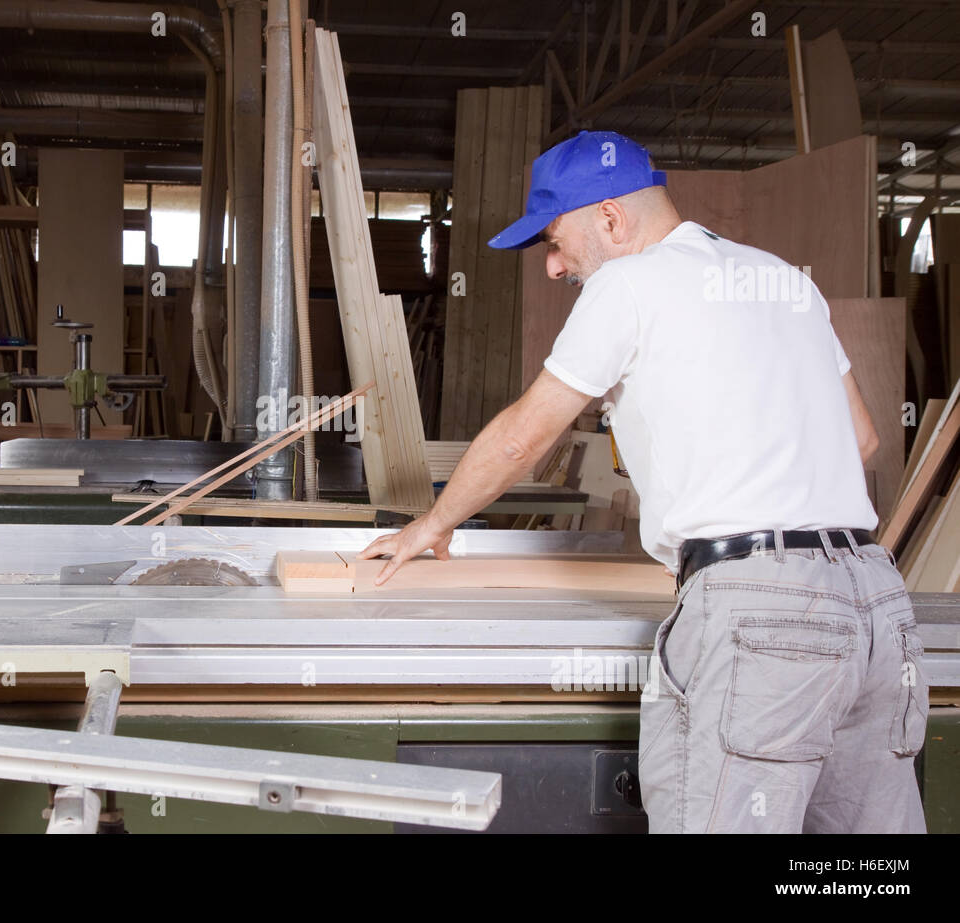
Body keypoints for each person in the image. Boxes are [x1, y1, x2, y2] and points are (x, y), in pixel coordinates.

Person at [358, 130, 928, 834]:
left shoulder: (628, 283)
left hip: (760, 618)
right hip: (874, 597)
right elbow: (864, 439)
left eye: (557, 241)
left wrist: (432, 524)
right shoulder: (784, 277)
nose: (555, 267)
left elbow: (521, 438)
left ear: (610, 217)